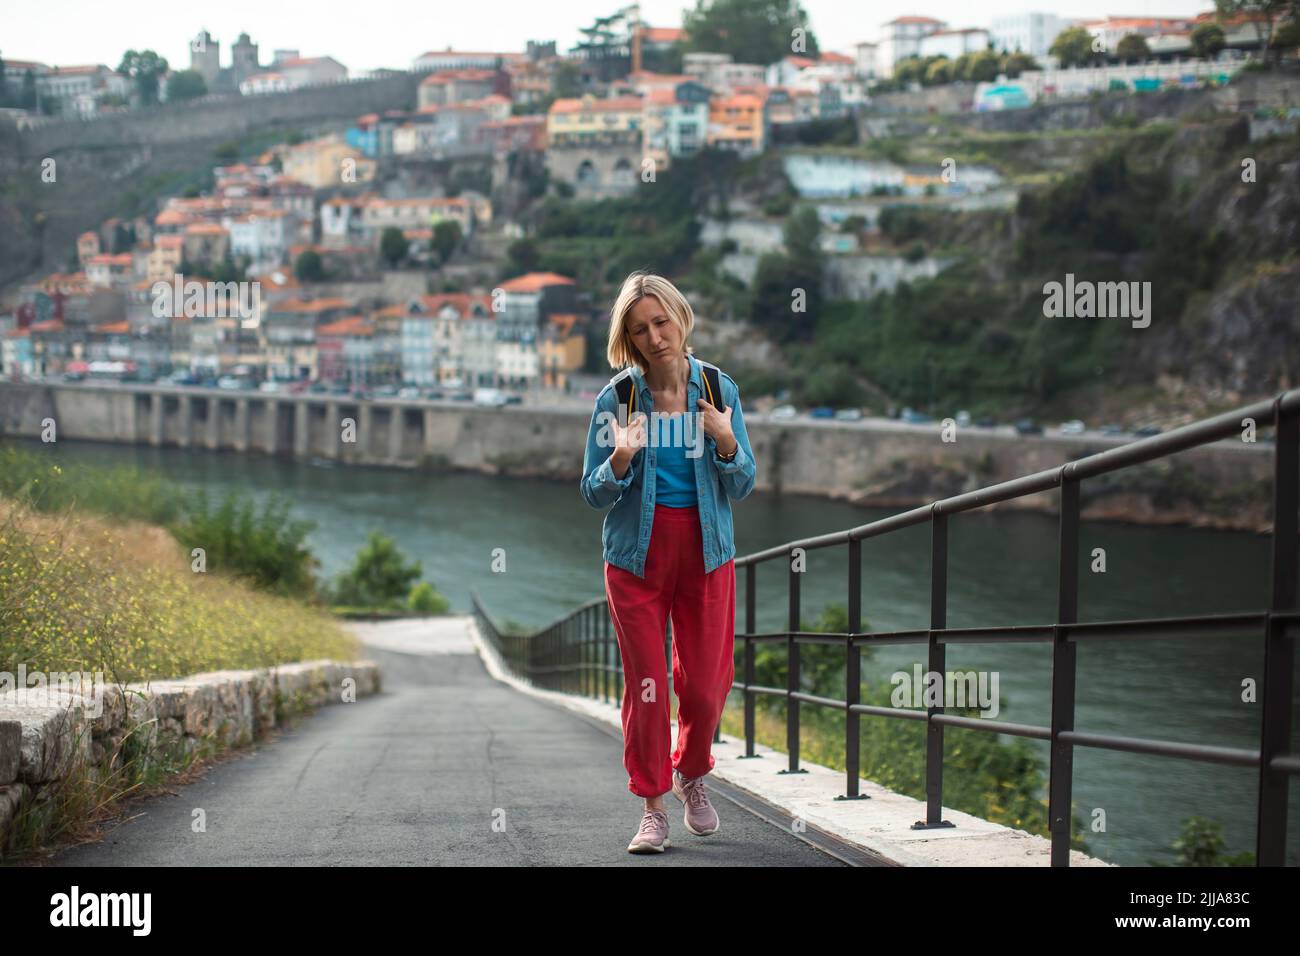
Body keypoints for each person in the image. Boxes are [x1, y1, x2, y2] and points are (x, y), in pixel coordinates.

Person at [579, 271, 757, 854]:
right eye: (640, 330)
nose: (655, 337)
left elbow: (745, 481)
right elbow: (593, 492)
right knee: (648, 685)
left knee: (705, 687)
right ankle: (653, 805)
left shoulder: (719, 389)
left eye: (661, 322)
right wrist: (621, 459)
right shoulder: (617, 400)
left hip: (706, 553)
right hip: (636, 557)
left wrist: (726, 442)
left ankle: (691, 773)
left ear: (680, 317)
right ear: (628, 340)